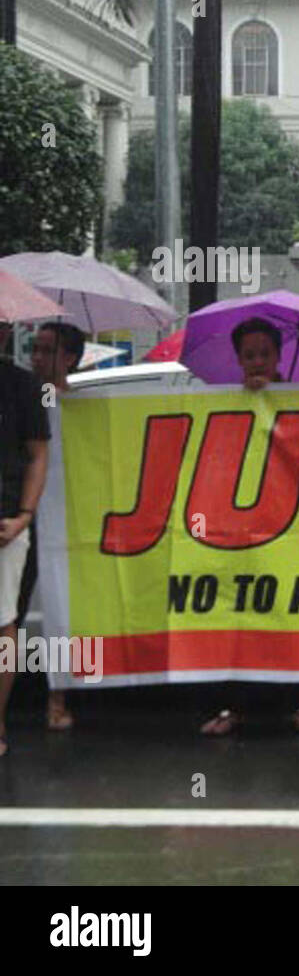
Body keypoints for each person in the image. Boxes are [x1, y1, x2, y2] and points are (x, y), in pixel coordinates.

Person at [200, 317, 299, 737]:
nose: (257, 361)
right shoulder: (221, 403)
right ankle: (230, 708)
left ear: (278, 357)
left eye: (264, 354)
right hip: (238, 534)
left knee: (291, 619)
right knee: (236, 621)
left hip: (289, 533)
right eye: (249, 355)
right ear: (238, 359)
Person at [23, 321, 86, 731]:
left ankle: (58, 698)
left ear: (70, 358)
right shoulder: (19, 396)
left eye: (48, 350)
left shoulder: (87, 405)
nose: (38, 357)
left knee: (62, 611)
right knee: (13, 611)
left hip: (71, 520)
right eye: (35, 348)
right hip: (23, 517)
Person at [0, 319, 51, 757]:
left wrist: (23, 516)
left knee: (2, 624)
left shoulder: (23, 387)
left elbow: (38, 455)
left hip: (5, 525)